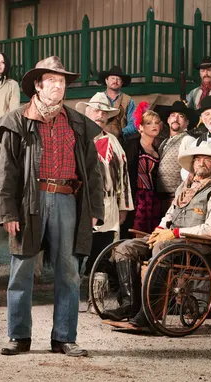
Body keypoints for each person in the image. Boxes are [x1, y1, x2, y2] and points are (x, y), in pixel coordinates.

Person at [0, 56, 104, 357]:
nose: (58, 86)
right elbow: (7, 172)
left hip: (68, 199)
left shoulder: (78, 123)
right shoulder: (17, 121)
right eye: (52, 81)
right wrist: (7, 211)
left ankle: (64, 338)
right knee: (22, 270)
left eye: (62, 82)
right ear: (38, 86)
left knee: (69, 272)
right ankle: (19, 336)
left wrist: (94, 207)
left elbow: (92, 170)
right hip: (31, 201)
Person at [103, 141, 211, 326]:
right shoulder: (185, 187)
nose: (201, 163)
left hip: (200, 246)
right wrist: (160, 230)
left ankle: (149, 314)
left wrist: (175, 233)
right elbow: (170, 214)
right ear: (193, 163)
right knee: (126, 248)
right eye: (198, 159)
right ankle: (129, 305)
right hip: (174, 241)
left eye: (207, 159)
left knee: (161, 247)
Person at [75, 92, 134, 277]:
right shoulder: (77, 139)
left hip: (108, 207)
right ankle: (70, 296)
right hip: (80, 204)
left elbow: (123, 176)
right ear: (87, 112)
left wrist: (123, 206)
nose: (100, 115)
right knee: (74, 253)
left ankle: (95, 298)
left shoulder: (113, 142)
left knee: (102, 255)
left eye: (104, 113)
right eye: (96, 111)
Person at [121, 102, 161, 238]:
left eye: (156, 122)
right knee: (133, 231)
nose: (154, 126)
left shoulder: (157, 149)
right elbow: (125, 171)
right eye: (149, 123)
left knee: (149, 233)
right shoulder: (132, 145)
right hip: (136, 195)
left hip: (152, 196)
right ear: (140, 127)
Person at [155, 101, 199, 214]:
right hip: (160, 196)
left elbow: (192, 172)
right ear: (168, 120)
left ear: (187, 122)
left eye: (181, 116)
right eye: (173, 115)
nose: (176, 118)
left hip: (176, 196)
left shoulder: (188, 140)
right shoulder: (164, 142)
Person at [98, 66, 137, 139]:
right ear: (106, 80)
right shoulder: (98, 98)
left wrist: (120, 133)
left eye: (118, 79)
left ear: (121, 83)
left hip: (122, 141)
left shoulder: (128, 100)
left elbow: (133, 124)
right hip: (100, 139)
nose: (115, 81)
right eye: (112, 78)